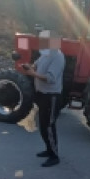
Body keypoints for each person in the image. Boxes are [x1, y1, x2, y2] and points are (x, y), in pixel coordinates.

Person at [22, 29, 65, 167]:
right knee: (42, 125)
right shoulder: (46, 54)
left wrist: (32, 74)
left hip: (51, 96)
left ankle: (54, 155)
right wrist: (30, 66)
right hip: (42, 94)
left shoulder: (58, 56)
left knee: (49, 126)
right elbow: (36, 65)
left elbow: (51, 78)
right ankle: (48, 149)